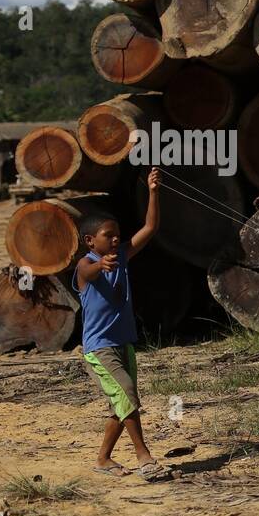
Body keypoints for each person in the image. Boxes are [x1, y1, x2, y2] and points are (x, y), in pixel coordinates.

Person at [75, 166, 164, 479]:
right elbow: (87, 273)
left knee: (121, 403)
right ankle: (144, 456)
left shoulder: (123, 255)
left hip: (123, 343)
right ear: (89, 241)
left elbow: (150, 227)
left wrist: (153, 190)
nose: (115, 240)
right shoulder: (85, 265)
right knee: (127, 393)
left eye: (117, 235)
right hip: (99, 349)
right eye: (107, 236)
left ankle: (103, 459)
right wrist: (102, 265)